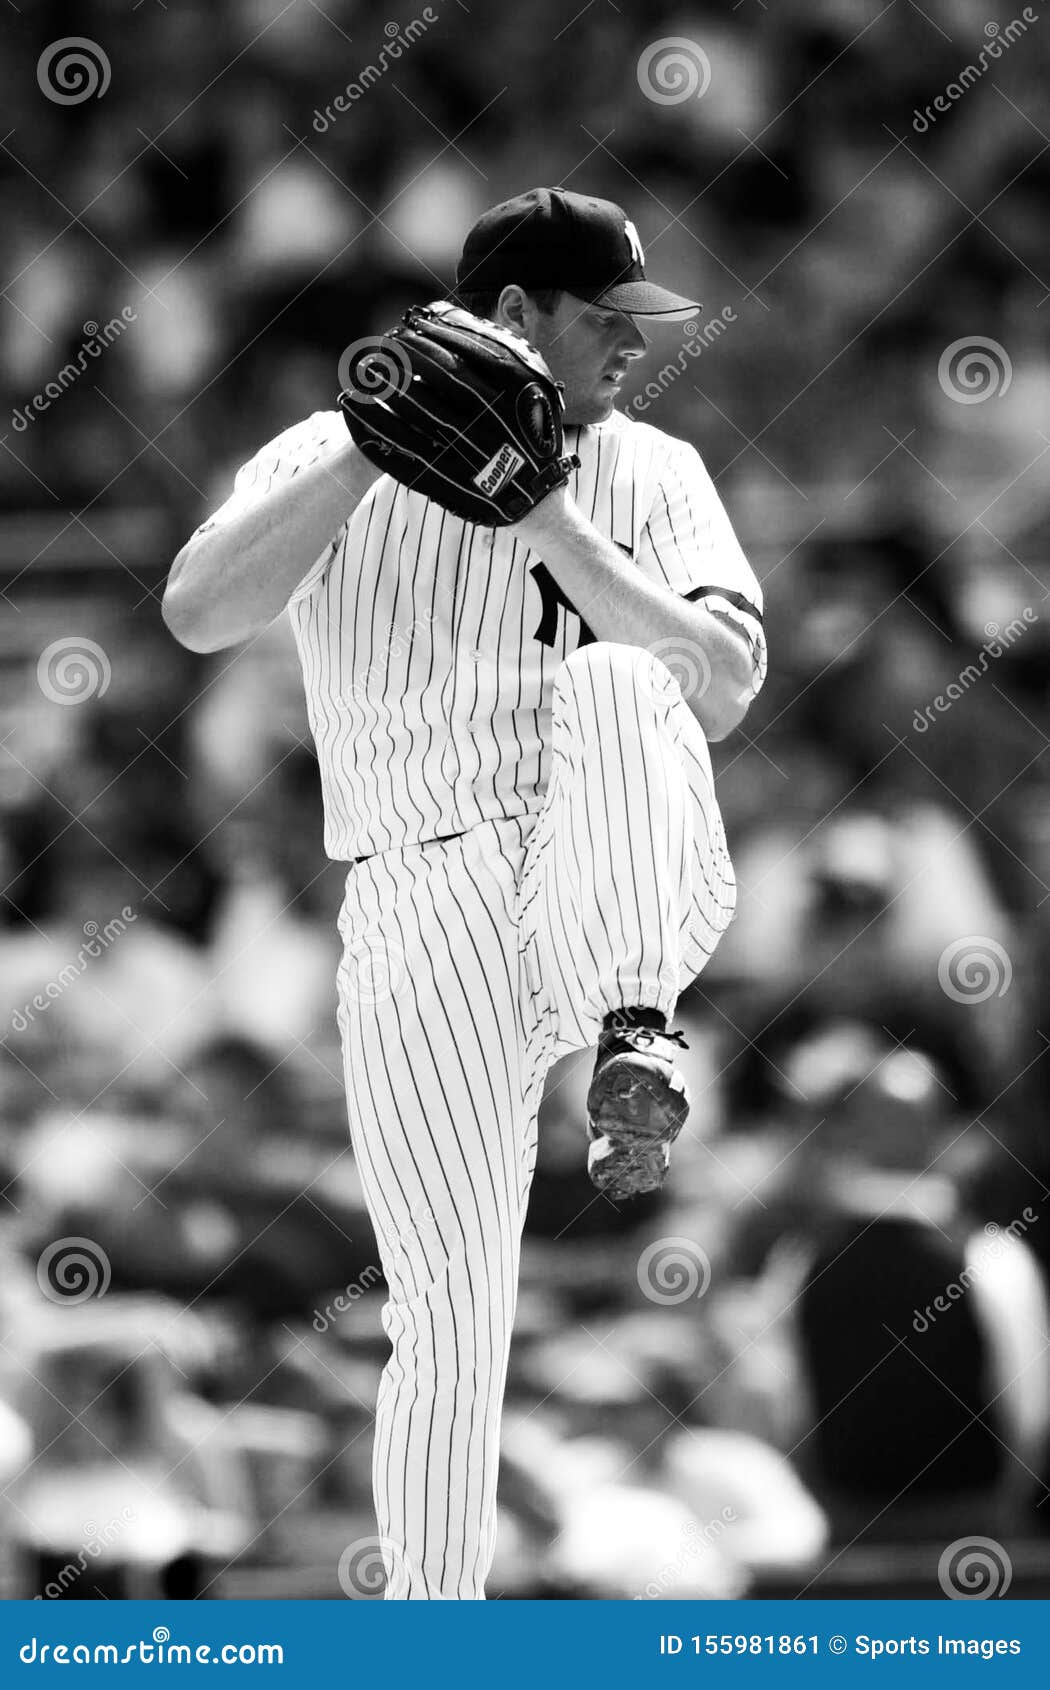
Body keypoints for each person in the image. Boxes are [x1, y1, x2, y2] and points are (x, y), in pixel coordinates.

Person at [162, 187, 766, 1598]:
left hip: (601, 861)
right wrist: (370, 454)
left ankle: (635, 1035)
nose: (632, 342)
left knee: (622, 679)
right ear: (509, 315)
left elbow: (722, 689)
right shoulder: (328, 446)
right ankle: (439, 1633)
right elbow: (196, 612)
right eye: (602, 316)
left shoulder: (650, 468)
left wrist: (545, 512)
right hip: (416, 894)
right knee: (446, 1315)